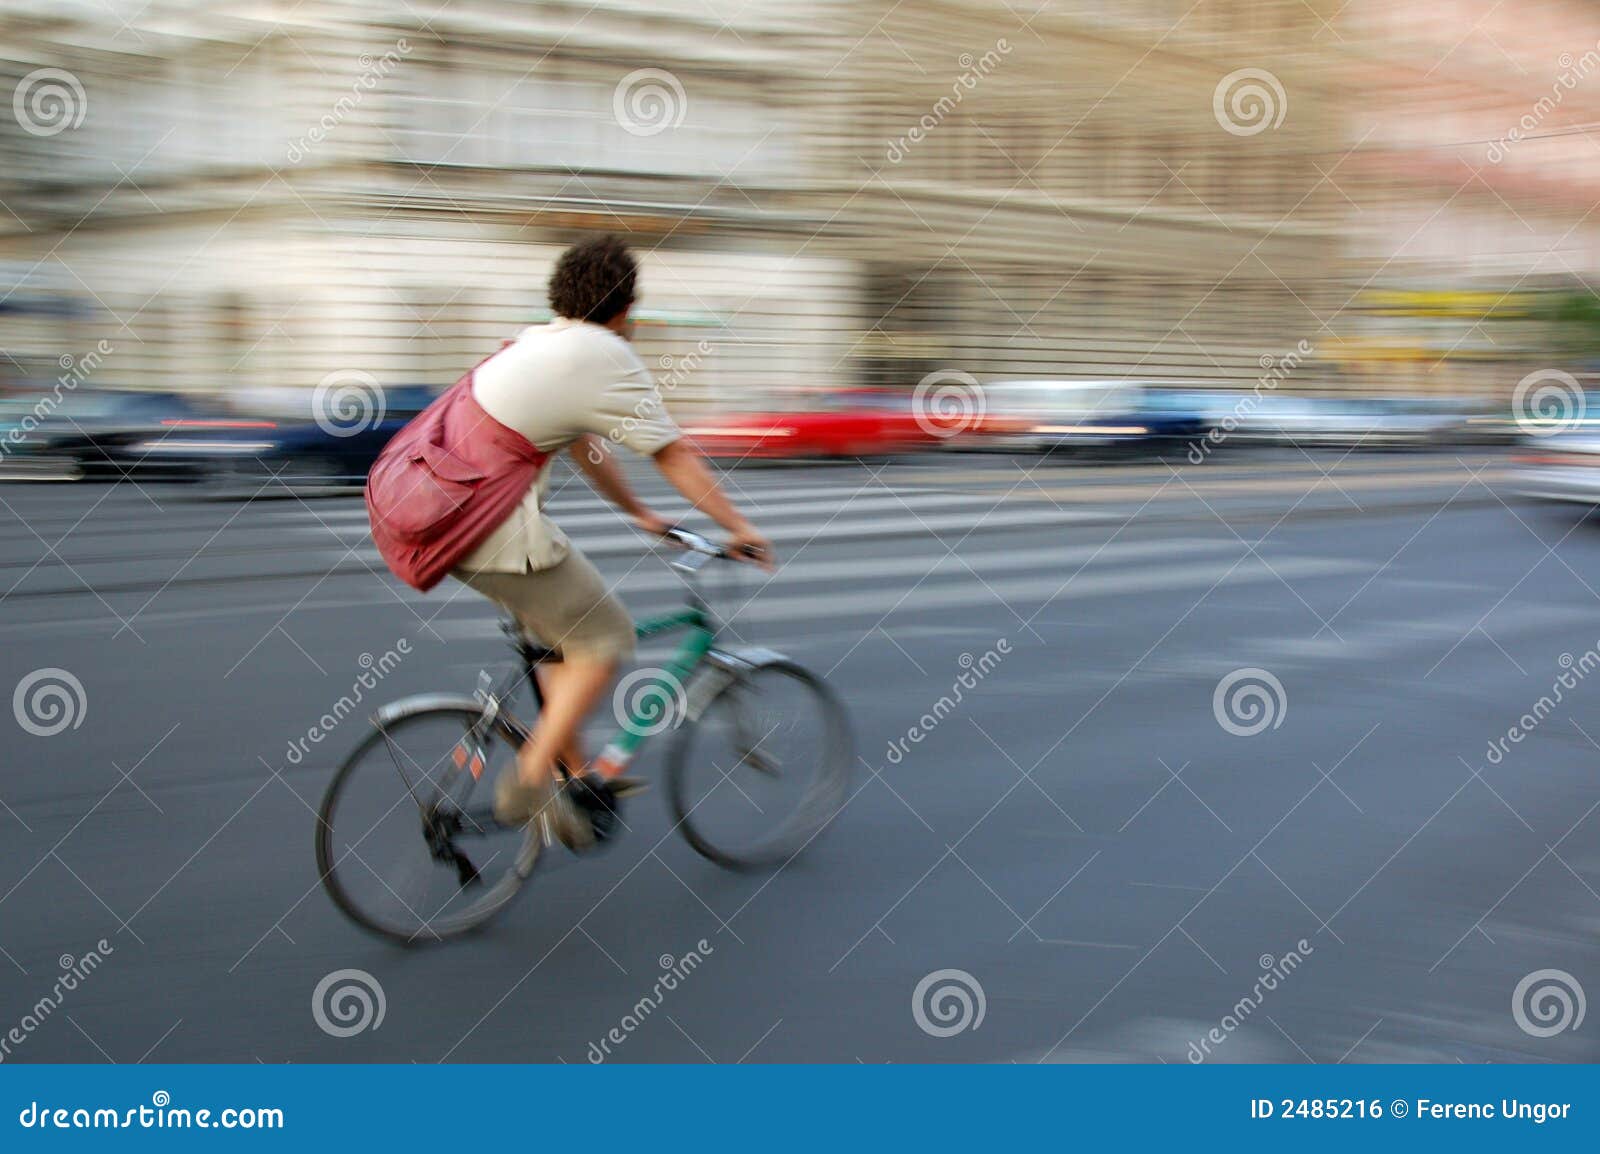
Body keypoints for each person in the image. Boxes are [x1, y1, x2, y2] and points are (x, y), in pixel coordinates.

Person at [452, 235, 771, 844]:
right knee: (606, 638)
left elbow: (586, 446)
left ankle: (573, 792)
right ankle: (529, 778)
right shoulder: (603, 352)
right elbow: (674, 455)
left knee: (559, 648)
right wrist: (739, 527)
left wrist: (641, 513)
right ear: (625, 310)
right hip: (493, 532)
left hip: (447, 524)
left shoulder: (536, 344)